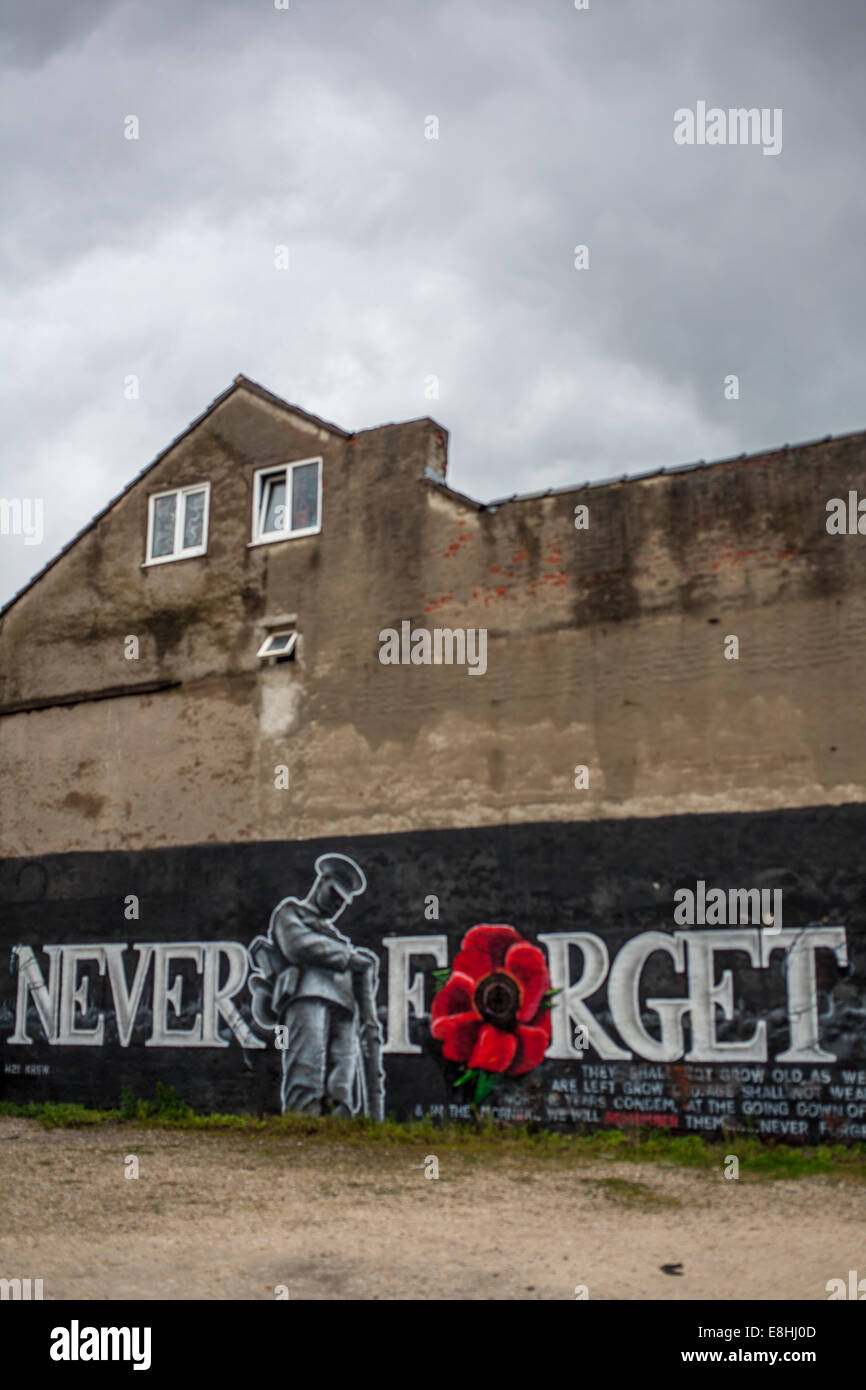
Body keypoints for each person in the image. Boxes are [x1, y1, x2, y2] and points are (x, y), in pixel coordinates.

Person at [247, 854, 384, 1117]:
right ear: (322, 882)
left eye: (342, 902)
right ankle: (301, 1130)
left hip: (345, 1006)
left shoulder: (338, 938)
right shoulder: (290, 911)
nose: (336, 905)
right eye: (334, 894)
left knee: (342, 1081)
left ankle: (338, 1132)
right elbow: (297, 945)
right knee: (307, 1070)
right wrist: (348, 958)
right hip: (307, 996)